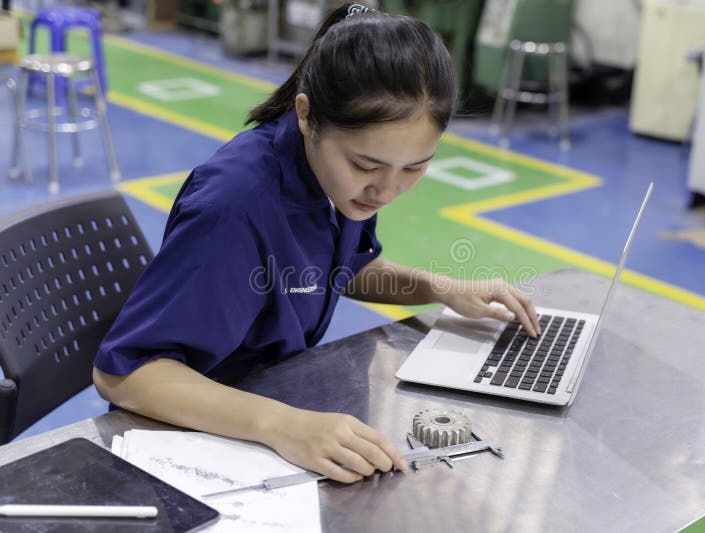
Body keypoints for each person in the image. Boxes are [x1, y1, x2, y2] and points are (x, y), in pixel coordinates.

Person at [93, 3, 541, 484]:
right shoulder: (235, 207)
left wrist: (439, 287)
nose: (386, 192)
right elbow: (125, 375)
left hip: (273, 396)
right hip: (204, 434)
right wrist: (286, 425)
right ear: (307, 116)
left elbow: (335, 268)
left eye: (414, 167)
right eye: (366, 166)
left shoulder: (330, 180)